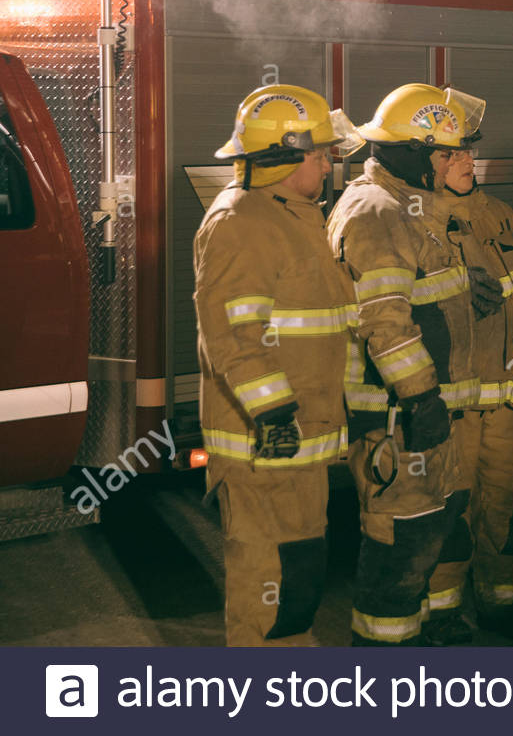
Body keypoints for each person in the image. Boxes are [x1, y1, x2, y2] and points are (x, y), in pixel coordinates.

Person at [194, 84, 362, 645]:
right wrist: (273, 415)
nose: (326, 162)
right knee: (268, 585)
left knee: (297, 582)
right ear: (286, 157)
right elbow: (234, 335)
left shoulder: (296, 215)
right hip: (264, 446)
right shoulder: (241, 222)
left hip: (298, 445)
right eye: (319, 153)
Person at [327, 83, 491, 645]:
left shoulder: (406, 205)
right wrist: (421, 397)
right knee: (399, 548)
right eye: (445, 154)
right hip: (396, 419)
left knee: (428, 535)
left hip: (420, 414)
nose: (455, 163)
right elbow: (385, 322)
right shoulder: (378, 212)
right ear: (413, 152)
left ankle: (422, 641)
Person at [420, 111, 513, 644]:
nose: (466, 160)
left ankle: (507, 605)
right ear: (425, 158)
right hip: (452, 405)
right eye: (452, 153)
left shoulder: (499, 214)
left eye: (469, 150)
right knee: (449, 511)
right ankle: (440, 614)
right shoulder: (411, 220)